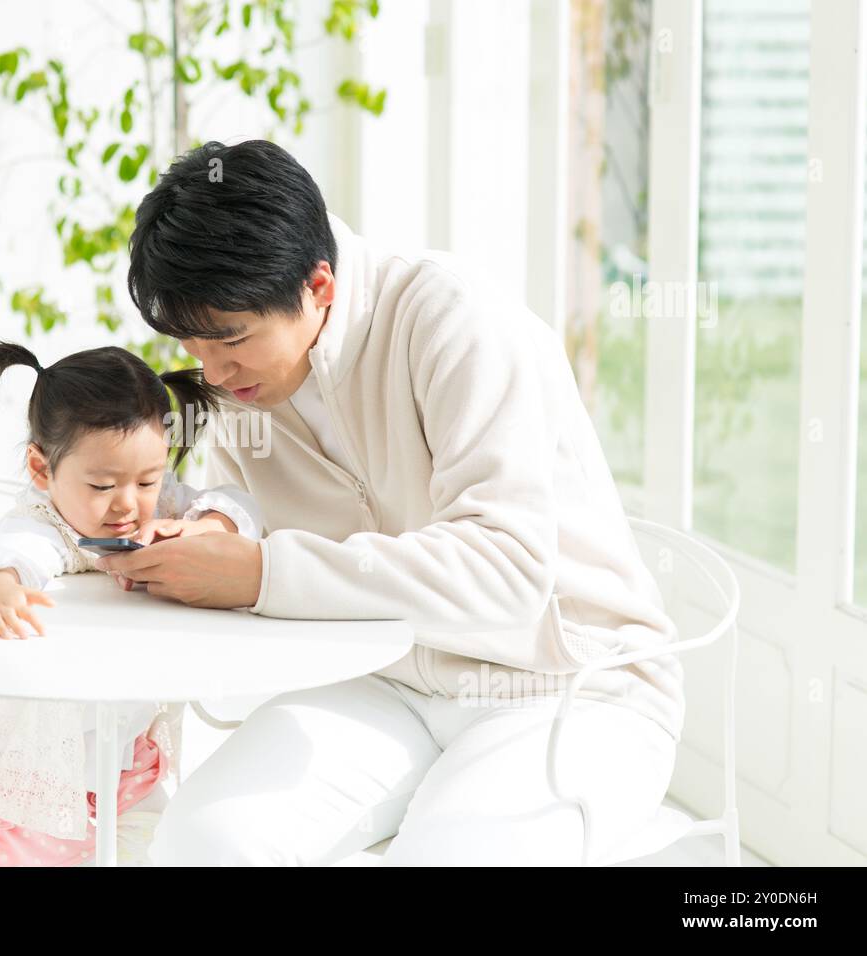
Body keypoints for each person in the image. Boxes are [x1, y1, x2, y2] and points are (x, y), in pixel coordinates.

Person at [97, 139, 685, 865]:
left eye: (232, 340)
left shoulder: (452, 320)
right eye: (193, 344)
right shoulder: (240, 388)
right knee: (202, 842)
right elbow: (244, 526)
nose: (212, 371)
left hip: (568, 685)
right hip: (382, 679)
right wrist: (190, 546)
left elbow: (507, 575)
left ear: (319, 285)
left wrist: (257, 574)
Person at [0, 340, 262, 866]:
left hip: (123, 763)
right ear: (41, 468)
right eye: (102, 484)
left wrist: (209, 527)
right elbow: (11, 550)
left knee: (166, 848)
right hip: (30, 770)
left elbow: (240, 503)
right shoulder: (46, 521)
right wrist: (3, 587)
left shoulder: (164, 507)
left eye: (147, 479)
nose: (127, 503)